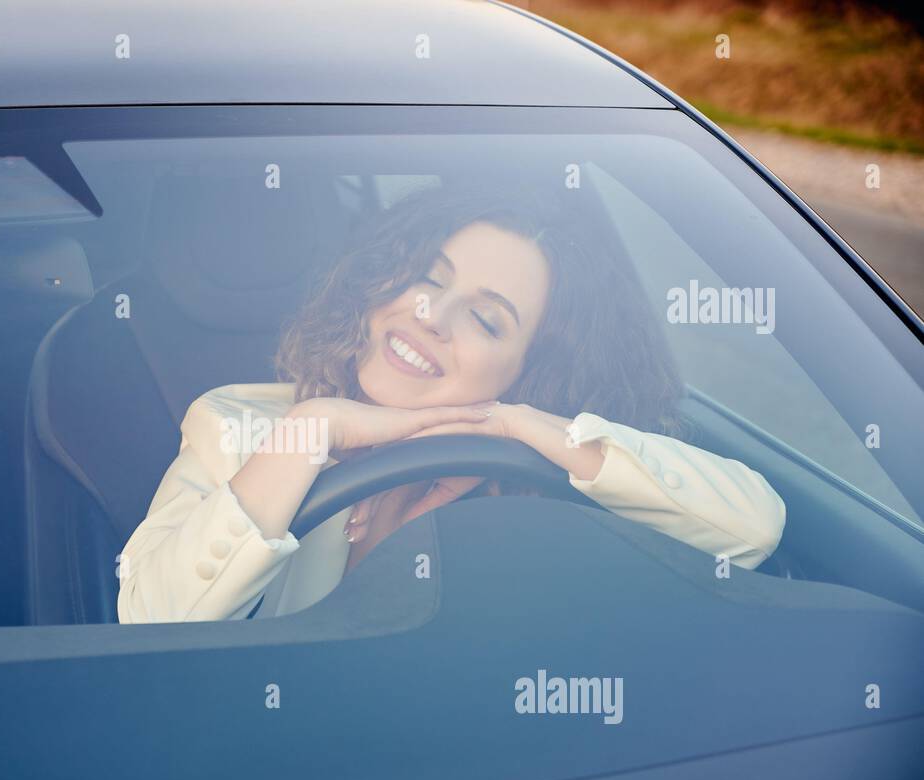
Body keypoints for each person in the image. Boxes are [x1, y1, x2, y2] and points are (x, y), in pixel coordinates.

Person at [117, 186, 786, 623]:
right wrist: (313, 428)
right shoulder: (237, 427)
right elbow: (151, 627)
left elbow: (752, 526)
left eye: (488, 322)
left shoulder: (539, 480)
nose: (432, 313)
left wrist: (509, 423)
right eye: (427, 278)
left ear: (532, 374)